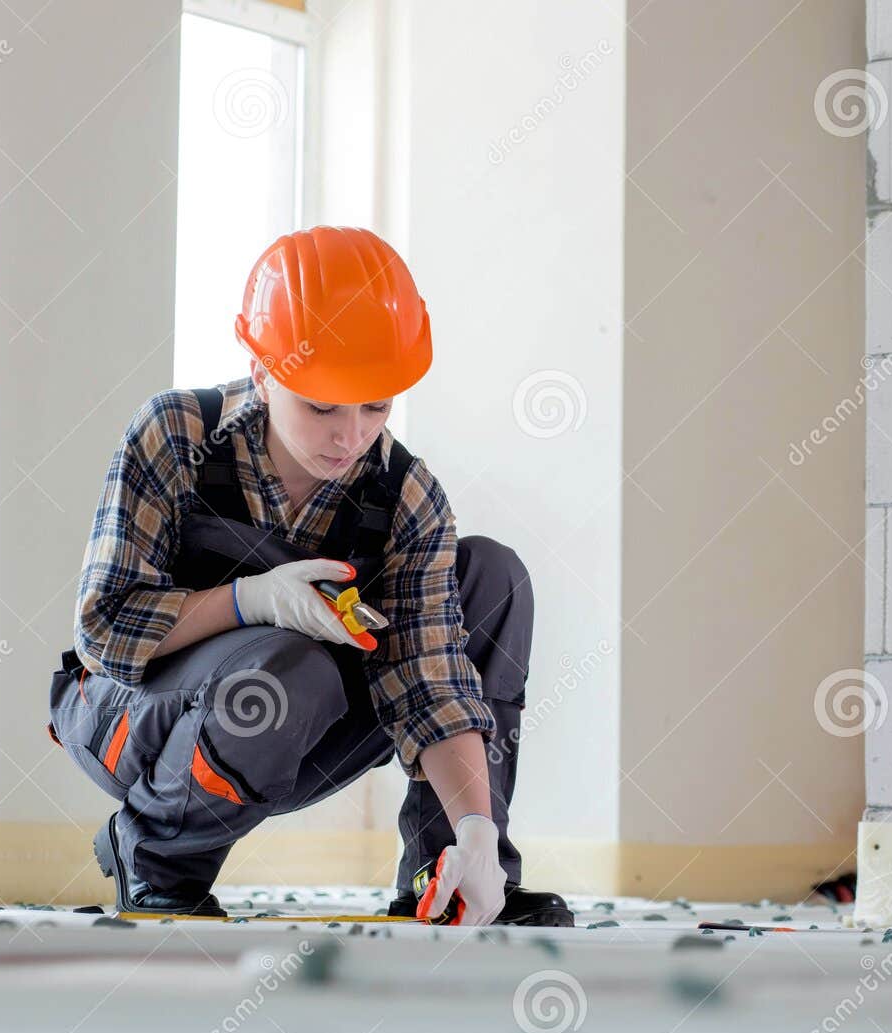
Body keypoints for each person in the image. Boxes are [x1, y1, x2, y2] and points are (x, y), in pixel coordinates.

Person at [46, 225, 572, 928]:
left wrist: (477, 828)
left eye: (375, 405)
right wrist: (249, 601)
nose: (350, 435)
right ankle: (158, 857)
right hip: (134, 718)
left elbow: (433, 683)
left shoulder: (407, 496)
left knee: (492, 576)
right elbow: (103, 630)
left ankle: (452, 874)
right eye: (322, 404)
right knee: (293, 665)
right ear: (264, 373)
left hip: (291, 727)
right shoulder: (177, 435)